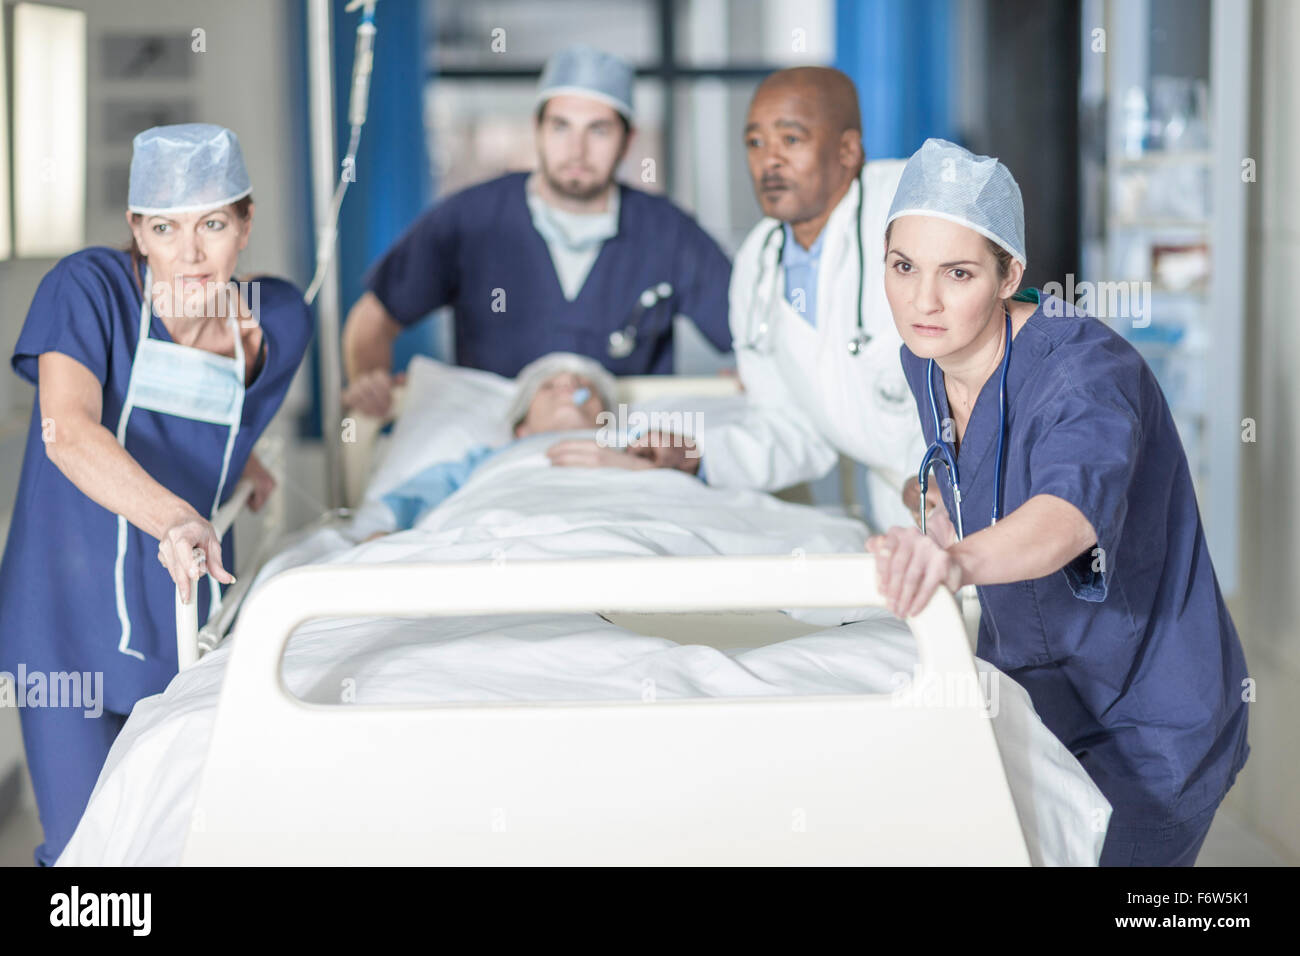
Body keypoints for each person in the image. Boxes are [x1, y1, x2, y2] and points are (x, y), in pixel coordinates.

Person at [866, 138, 1250, 866]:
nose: (924, 300)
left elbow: (1068, 515)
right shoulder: (925, 359)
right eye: (903, 266)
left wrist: (951, 560)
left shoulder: (1085, 369)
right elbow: (971, 475)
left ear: (1011, 273)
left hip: (1146, 719)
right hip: (1031, 698)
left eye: (958, 272)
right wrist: (932, 512)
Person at [0, 123, 314, 865]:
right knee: (87, 853)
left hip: (183, 602)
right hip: (61, 611)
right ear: (137, 230)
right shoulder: (86, 290)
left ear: (246, 223)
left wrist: (243, 469)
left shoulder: (279, 321)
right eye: (163, 227)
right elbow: (66, 432)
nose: (189, 252)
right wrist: (173, 515)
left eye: (211, 223)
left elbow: (229, 433)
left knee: (180, 837)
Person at [341, 44, 734, 418]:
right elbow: (374, 318)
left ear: (627, 141)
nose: (577, 151)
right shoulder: (469, 219)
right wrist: (370, 382)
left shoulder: (668, 233)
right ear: (538, 129)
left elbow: (750, 332)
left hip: (623, 452)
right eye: (561, 127)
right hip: (497, 445)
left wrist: (756, 374)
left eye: (598, 130)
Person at [634, 67, 923, 533]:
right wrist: (697, 456)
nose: (769, 161)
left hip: (990, 476)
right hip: (901, 501)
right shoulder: (757, 265)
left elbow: (985, 356)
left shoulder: (910, 207)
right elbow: (793, 430)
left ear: (848, 150)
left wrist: (955, 472)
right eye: (755, 143)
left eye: (790, 140)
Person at [363, 352, 653, 535]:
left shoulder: (637, 444)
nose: (568, 386)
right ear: (522, 428)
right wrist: (380, 537)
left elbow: (683, 485)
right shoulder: (484, 460)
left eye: (584, 387)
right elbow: (400, 506)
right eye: (550, 386)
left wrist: (634, 464)